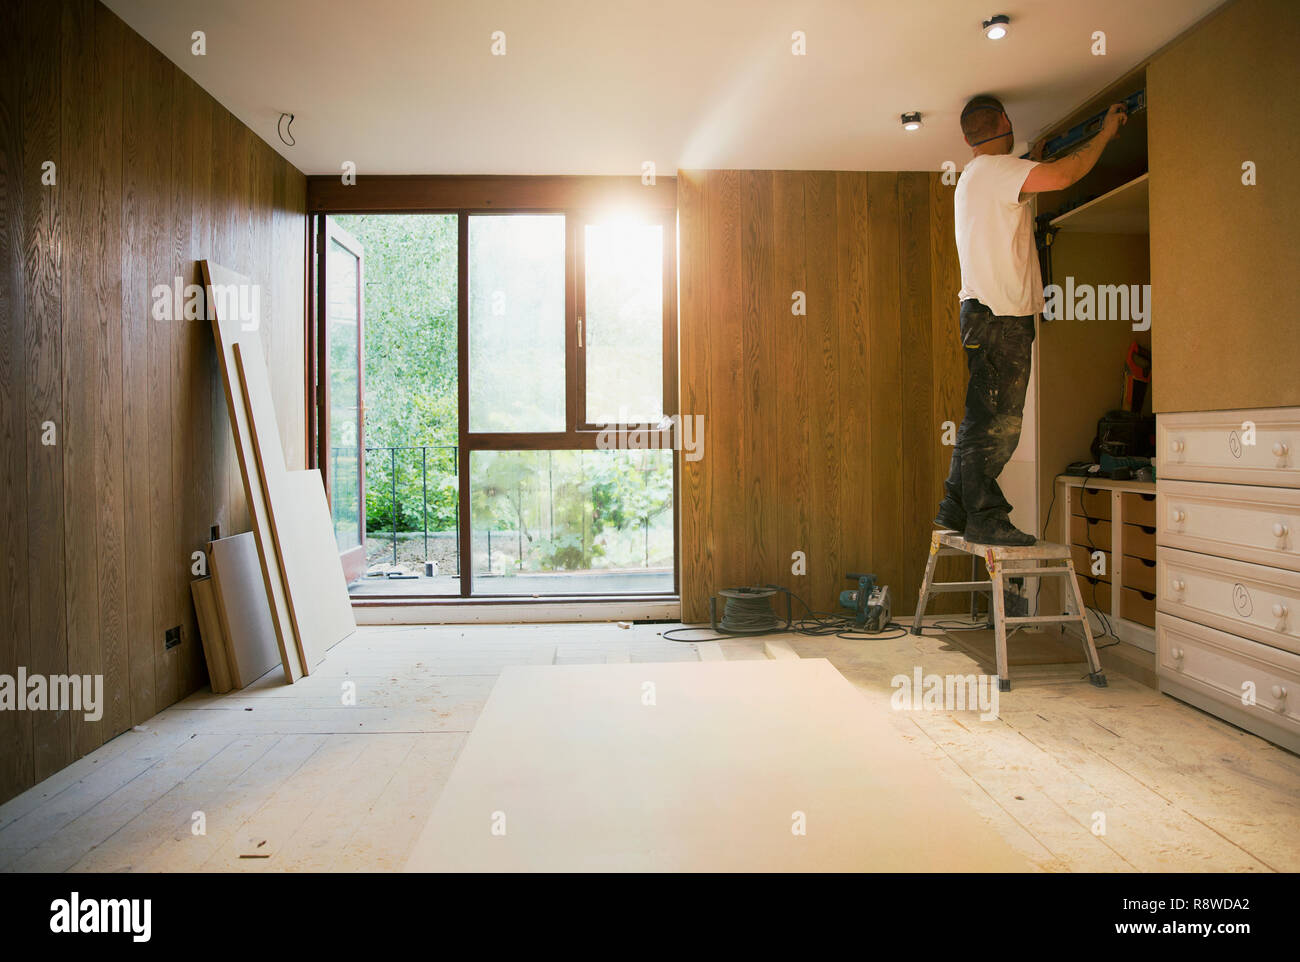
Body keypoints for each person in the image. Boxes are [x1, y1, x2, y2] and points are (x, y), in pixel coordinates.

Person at [935, 95, 1127, 545]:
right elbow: (1065, 175)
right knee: (1000, 424)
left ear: (966, 138)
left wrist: (1028, 161)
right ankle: (985, 517)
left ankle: (956, 506)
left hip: (981, 315)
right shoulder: (999, 173)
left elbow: (1025, 184)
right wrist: (1105, 133)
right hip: (1001, 318)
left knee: (980, 420)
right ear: (1004, 120)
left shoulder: (973, 179)